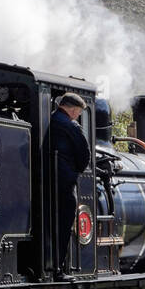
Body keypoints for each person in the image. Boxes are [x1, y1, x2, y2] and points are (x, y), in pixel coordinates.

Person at [50, 92, 90, 278]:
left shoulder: (49, 120)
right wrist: (76, 171)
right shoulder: (71, 125)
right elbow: (84, 154)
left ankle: (54, 266)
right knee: (65, 223)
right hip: (65, 183)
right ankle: (59, 269)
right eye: (79, 113)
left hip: (48, 182)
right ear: (73, 109)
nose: (78, 116)